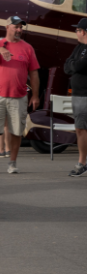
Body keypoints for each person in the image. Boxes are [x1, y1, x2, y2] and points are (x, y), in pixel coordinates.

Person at [0, 16, 40, 174]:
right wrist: (0, 50)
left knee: (16, 131)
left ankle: (12, 163)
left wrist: (35, 95)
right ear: (7, 27)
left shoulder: (27, 48)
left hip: (19, 96)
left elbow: (34, 73)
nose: (19, 30)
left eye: (21, 27)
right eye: (16, 27)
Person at [63, 18, 87, 177]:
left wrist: (75, 64)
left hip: (85, 95)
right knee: (80, 128)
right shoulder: (78, 47)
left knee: (82, 128)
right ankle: (82, 162)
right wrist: (75, 64)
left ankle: (82, 162)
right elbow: (67, 66)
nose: (76, 32)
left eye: (77, 30)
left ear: (83, 32)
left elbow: (79, 66)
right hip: (77, 95)